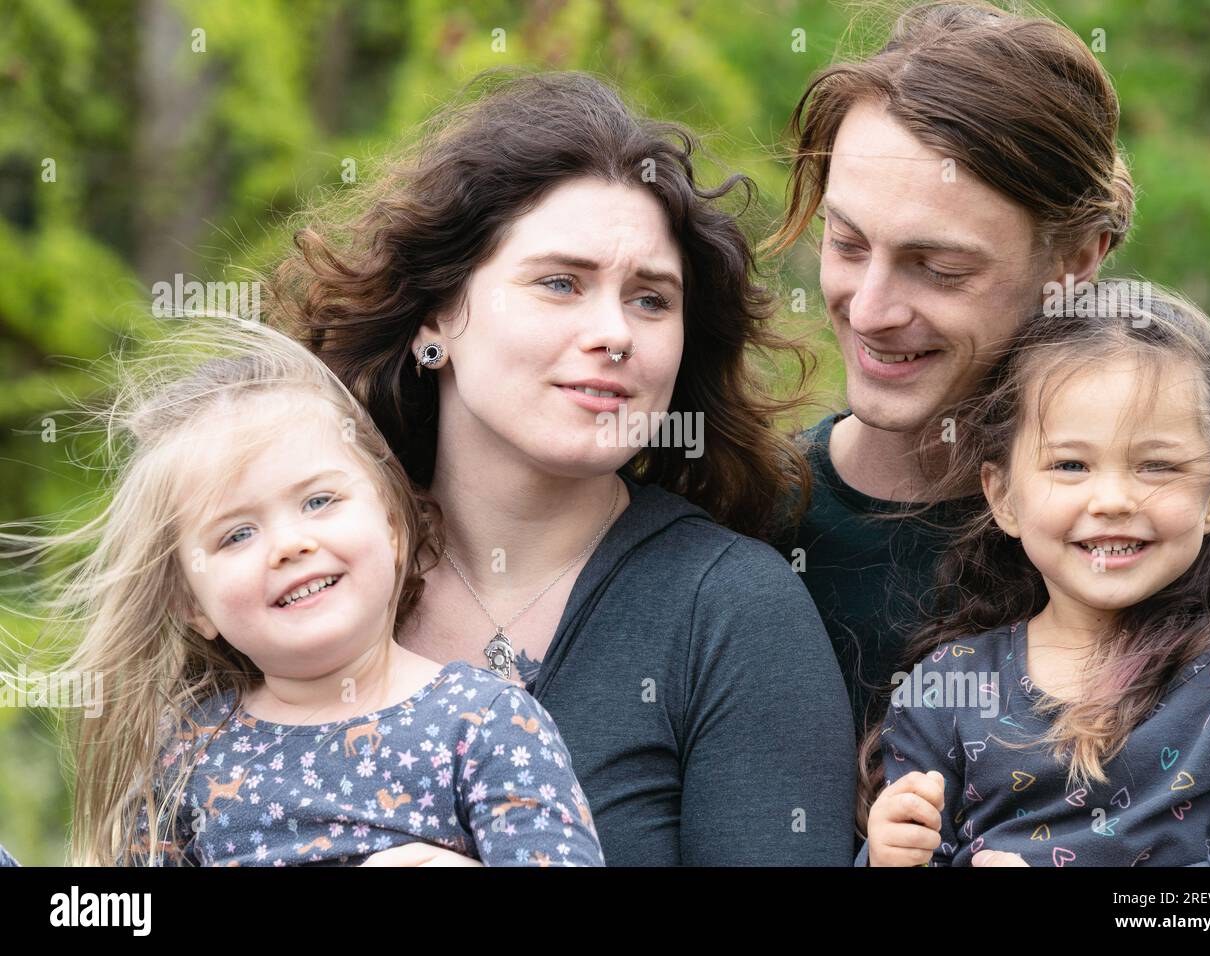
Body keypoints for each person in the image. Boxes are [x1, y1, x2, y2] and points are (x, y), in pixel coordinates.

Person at [268, 70, 857, 866]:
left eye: (651, 299)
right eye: (561, 283)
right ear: (437, 314)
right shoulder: (294, 566)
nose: (614, 331)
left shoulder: (731, 612)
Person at [767, 1, 1210, 747]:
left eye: (939, 267)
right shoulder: (750, 518)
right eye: (847, 244)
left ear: (1075, 260)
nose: (872, 308)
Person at [5, 318, 603, 866]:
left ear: (394, 526)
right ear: (193, 606)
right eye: (236, 535)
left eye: (318, 501)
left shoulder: (484, 723)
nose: (289, 544)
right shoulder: (187, 755)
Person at [859, 283, 1210, 866]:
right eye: (1071, 465)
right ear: (1003, 495)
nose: (1113, 499)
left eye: (1157, 465)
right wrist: (888, 856)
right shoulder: (946, 685)